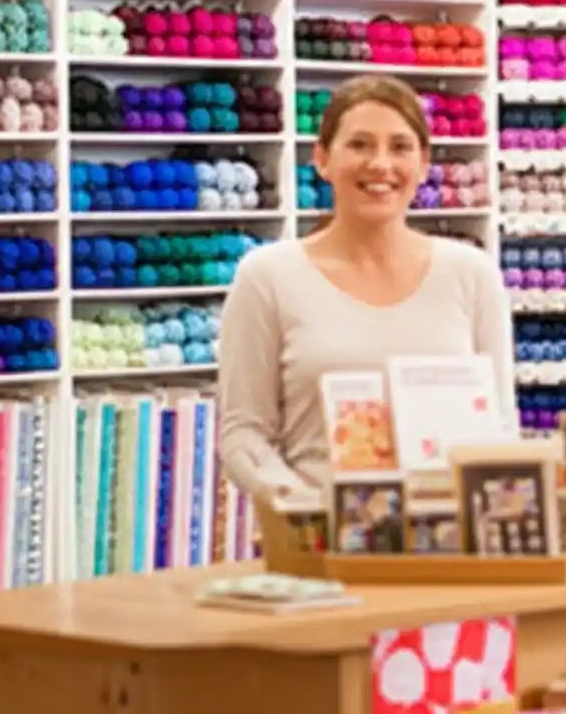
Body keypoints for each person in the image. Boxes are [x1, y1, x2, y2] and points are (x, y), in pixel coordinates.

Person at [217, 74, 514, 505]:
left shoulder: (471, 274)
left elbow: (500, 425)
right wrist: (310, 509)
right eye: (359, 145)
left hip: (453, 544)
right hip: (318, 545)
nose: (380, 164)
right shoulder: (267, 277)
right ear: (321, 159)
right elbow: (243, 434)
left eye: (400, 147)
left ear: (424, 163)